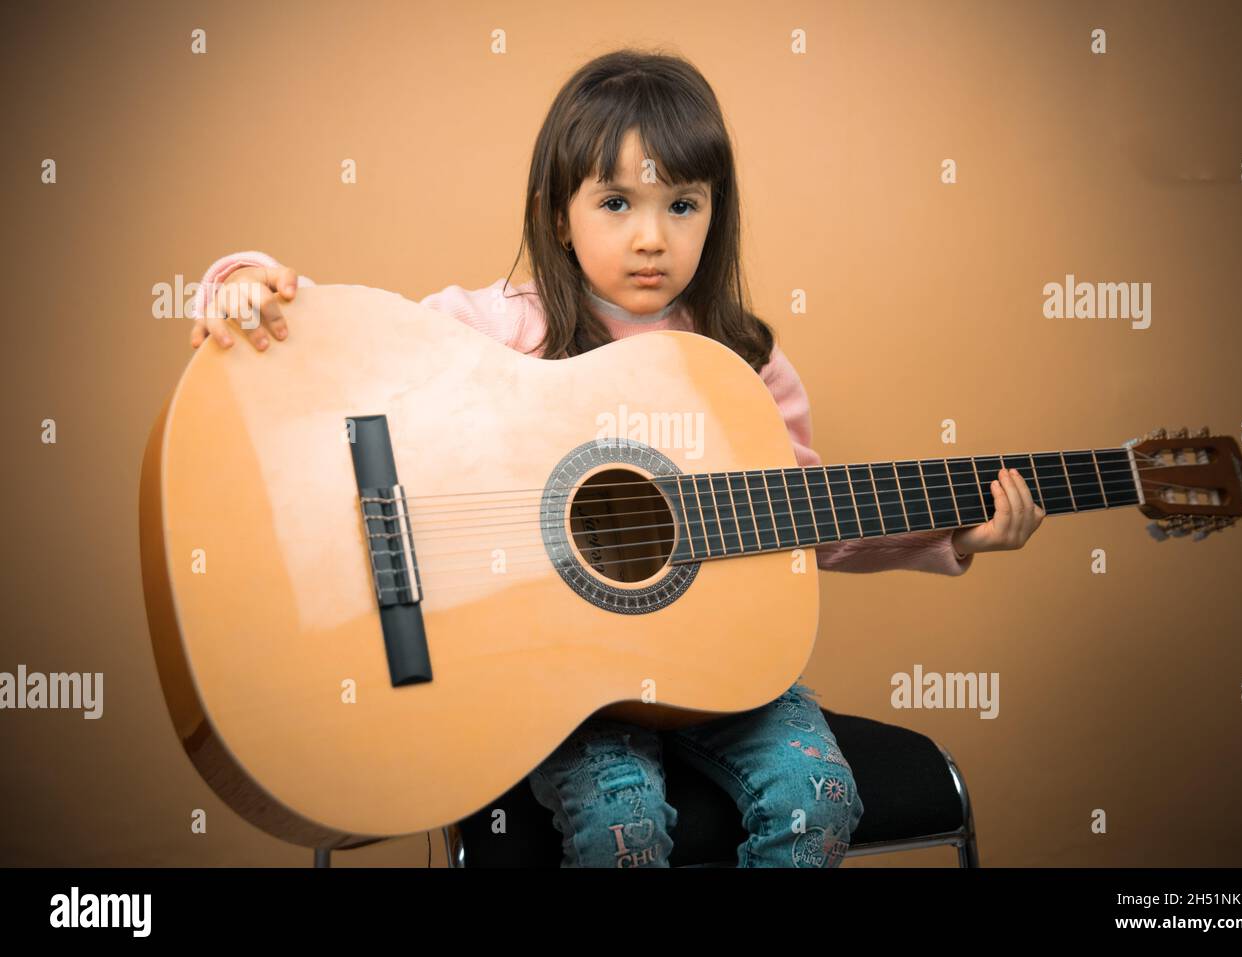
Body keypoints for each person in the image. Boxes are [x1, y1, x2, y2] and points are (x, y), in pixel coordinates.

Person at [189, 48, 1044, 868]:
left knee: (818, 793)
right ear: (557, 212)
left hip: (724, 675)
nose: (650, 238)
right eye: (616, 204)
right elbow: (349, 337)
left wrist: (957, 537)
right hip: (558, 687)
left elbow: (808, 522)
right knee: (620, 820)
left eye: (682, 205)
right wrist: (246, 281)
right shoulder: (500, 329)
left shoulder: (744, 367)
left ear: (718, 214)